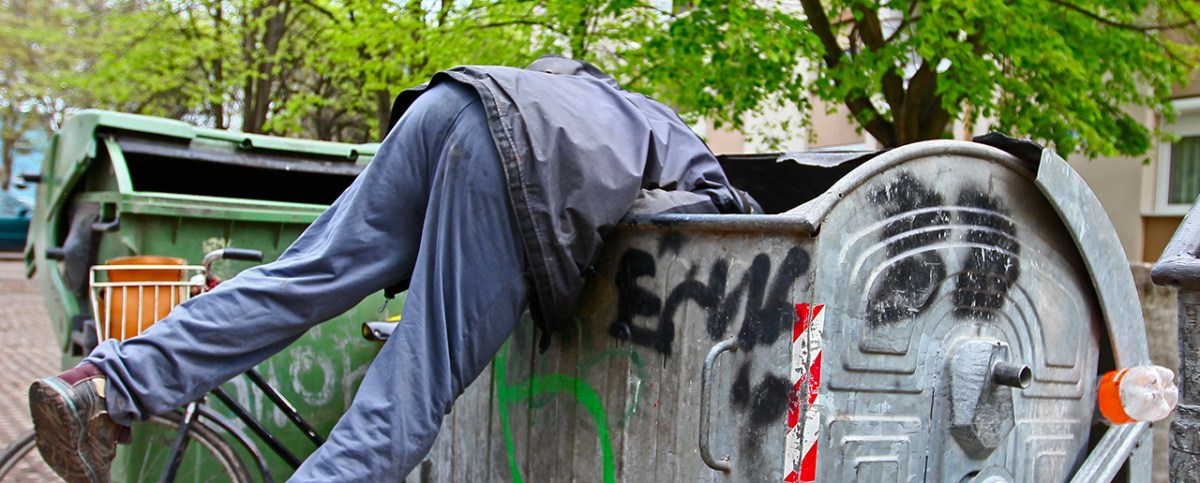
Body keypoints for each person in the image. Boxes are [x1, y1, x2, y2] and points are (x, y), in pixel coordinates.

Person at [28, 55, 756, 482]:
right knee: (412, 387)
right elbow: (708, 217)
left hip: (450, 103)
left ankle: (108, 384)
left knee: (303, 275)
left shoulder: (580, 88)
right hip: (522, 163)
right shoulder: (671, 133)